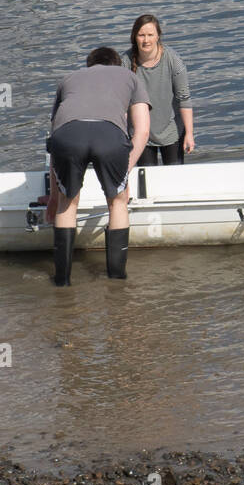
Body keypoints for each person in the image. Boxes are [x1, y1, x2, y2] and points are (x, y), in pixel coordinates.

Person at [45, 47, 150, 284]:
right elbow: (143, 131)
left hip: (68, 136)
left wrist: (53, 195)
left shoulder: (68, 79)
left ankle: (61, 281)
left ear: (89, 65)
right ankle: (116, 277)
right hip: (109, 135)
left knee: (67, 202)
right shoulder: (130, 77)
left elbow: (54, 141)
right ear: (117, 66)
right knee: (118, 201)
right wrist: (124, 170)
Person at [128, 14, 195, 166]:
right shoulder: (126, 62)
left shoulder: (173, 60)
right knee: (147, 180)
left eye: (150, 35)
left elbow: (184, 99)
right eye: (141, 35)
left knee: (174, 180)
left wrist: (189, 134)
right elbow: (120, 102)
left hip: (172, 132)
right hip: (140, 134)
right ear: (134, 37)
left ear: (158, 36)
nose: (146, 40)